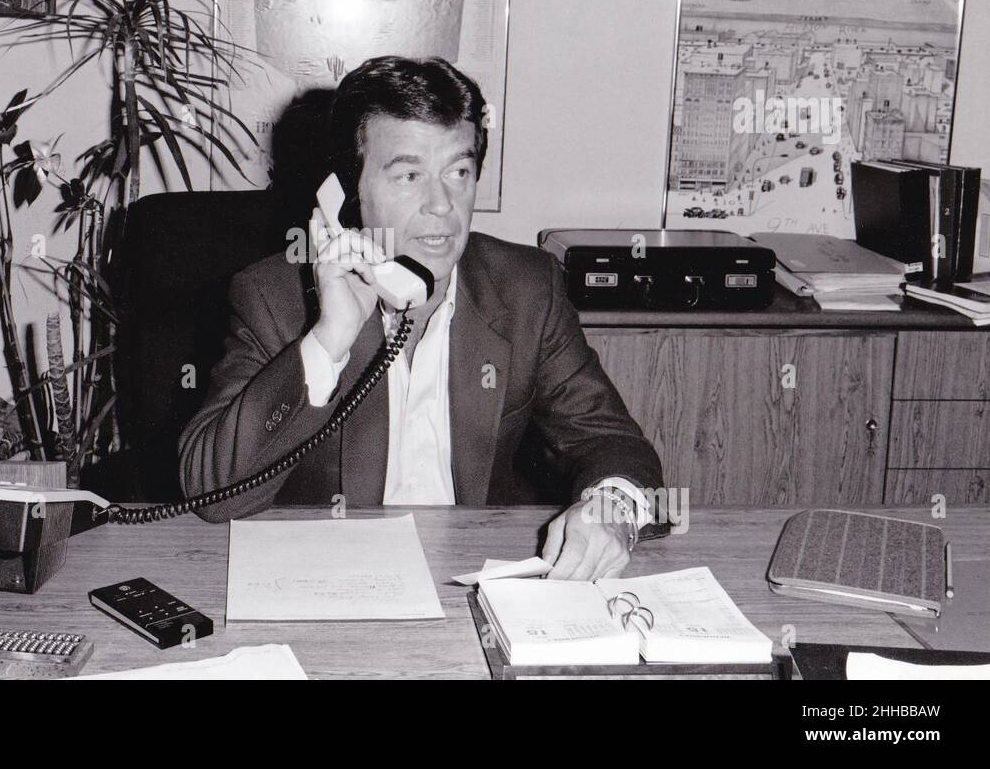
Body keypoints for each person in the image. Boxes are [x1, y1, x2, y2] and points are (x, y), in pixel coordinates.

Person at [178, 57, 664, 580]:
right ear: (346, 194)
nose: (441, 204)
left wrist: (612, 510)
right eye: (409, 175)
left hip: (477, 579)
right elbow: (211, 493)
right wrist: (330, 339)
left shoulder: (526, 289)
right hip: (328, 582)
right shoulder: (274, 297)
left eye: (458, 172)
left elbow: (612, 441)